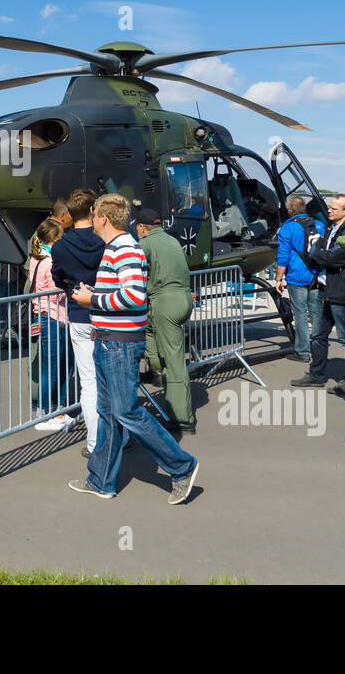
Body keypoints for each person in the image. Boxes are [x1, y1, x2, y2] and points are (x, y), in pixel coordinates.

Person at [67, 194, 199, 504]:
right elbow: (127, 292)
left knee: (125, 412)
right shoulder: (120, 248)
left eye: (94, 214)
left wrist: (92, 300)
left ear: (102, 218)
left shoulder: (123, 249)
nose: (92, 218)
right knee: (110, 413)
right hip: (111, 339)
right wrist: (96, 293)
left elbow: (134, 296)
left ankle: (181, 467)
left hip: (118, 342)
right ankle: (101, 480)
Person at [50, 189, 105, 455]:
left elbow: (57, 276)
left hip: (79, 314)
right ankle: (122, 435)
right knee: (112, 380)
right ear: (94, 210)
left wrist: (73, 287)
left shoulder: (61, 246)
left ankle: (94, 442)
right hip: (107, 311)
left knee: (89, 382)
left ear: (69, 214)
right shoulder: (106, 241)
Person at [135, 207, 196, 432]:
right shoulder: (171, 240)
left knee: (174, 361)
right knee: (152, 337)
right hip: (183, 298)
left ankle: (183, 418)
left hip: (165, 302)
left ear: (142, 227)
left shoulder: (146, 244)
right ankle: (157, 369)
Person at [295, 193, 345, 394]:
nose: (329, 210)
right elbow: (318, 250)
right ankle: (317, 375)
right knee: (319, 335)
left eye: (334, 208)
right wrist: (320, 255)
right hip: (326, 289)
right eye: (330, 207)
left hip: (341, 291)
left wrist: (319, 255)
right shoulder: (332, 228)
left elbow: (333, 257)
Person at [27, 218, 71, 429]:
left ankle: (54, 409)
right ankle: (48, 411)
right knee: (55, 366)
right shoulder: (49, 260)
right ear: (54, 239)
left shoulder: (36, 257)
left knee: (54, 365)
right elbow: (56, 292)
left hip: (47, 316)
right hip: (54, 316)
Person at [275, 195, 324, 362]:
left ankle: (303, 352)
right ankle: (319, 350)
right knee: (317, 314)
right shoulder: (320, 225)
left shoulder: (287, 228)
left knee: (301, 314)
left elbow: (283, 256)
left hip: (297, 276)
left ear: (289, 211)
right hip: (316, 276)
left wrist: (278, 279)